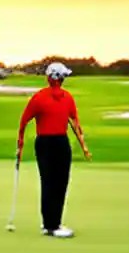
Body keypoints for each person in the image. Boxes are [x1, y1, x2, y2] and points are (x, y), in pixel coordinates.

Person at [16, 62, 91, 238]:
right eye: (62, 76)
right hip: (46, 143)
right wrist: (20, 143)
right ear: (58, 78)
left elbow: (75, 122)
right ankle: (51, 225)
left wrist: (83, 144)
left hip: (60, 142)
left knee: (59, 183)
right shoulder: (40, 98)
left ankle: (52, 223)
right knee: (50, 183)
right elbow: (25, 119)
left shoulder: (66, 97)